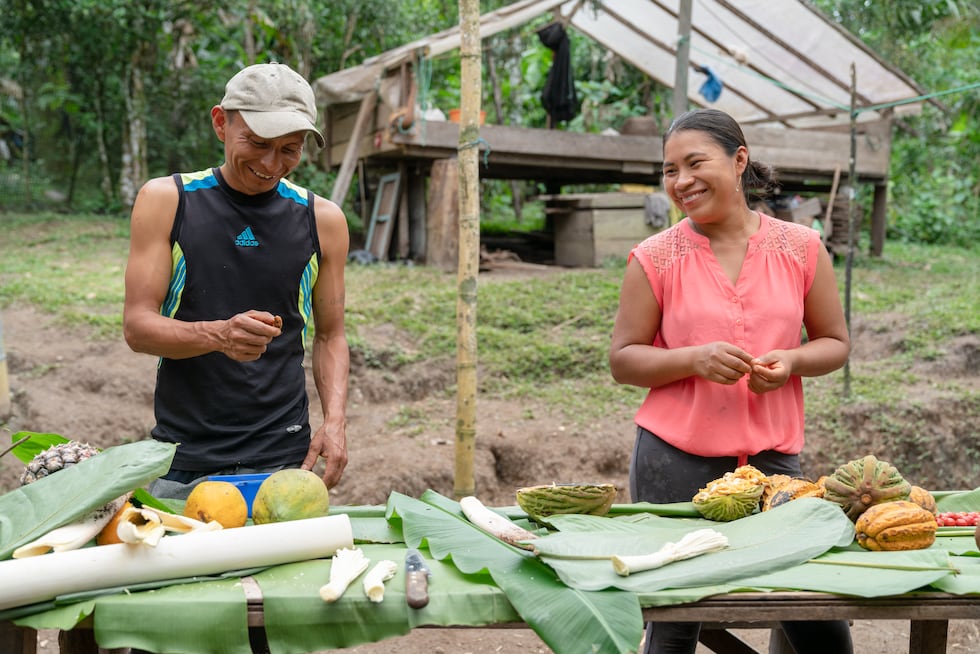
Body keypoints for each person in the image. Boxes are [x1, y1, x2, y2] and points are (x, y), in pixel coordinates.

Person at [609, 108, 852, 654]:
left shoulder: (802, 248)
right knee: (676, 619)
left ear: (739, 160)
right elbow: (624, 359)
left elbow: (834, 342)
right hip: (674, 460)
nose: (682, 182)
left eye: (695, 163)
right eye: (670, 171)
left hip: (774, 464)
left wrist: (791, 362)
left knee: (812, 605)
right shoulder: (654, 258)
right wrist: (692, 359)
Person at [123, 62, 350, 502]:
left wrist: (335, 421)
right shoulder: (168, 201)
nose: (271, 164)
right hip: (183, 456)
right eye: (258, 143)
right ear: (221, 123)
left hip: (286, 458)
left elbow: (331, 335)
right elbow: (137, 327)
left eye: (290, 149)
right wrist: (219, 334)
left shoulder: (322, 220)